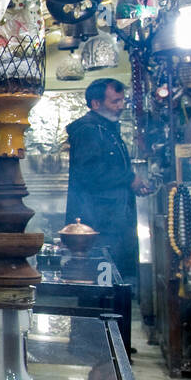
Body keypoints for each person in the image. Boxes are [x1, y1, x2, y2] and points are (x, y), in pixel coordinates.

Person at [64, 77, 152, 294]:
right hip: (98, 223)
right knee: (100, 289)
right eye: (115, 102)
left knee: (116, 283)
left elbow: (107, 167)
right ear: (96, 104)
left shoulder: (107, 128)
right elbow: (90, 172)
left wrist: (131, 181)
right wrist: (129, 179)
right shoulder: (88, 130)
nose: (121, 106)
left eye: (122, 101)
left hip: (114, 220)